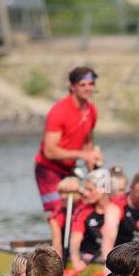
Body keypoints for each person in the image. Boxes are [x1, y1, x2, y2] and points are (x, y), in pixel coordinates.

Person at [34, 66, 101, 258]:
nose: (88, 88)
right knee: (58, 214)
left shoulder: (91, 110)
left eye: (91, 84)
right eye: (83, 85)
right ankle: (56, 260)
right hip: (48, 170)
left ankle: (82, 249)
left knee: (88, 203)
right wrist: (83, 155)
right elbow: (50, 150)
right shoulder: (59, 111)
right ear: (72, 87)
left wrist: (93, 167)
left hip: (69, 167)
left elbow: (88, 140)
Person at [67, 168, 120, 265]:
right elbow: (75, 241)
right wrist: (76, 262)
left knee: (112, 211)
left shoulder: (116, 207)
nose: (85, 193)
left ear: (102, 189)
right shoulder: (82, 210)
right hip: (89, 260)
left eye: (90, 190)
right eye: (85, 189)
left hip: (113, 259)